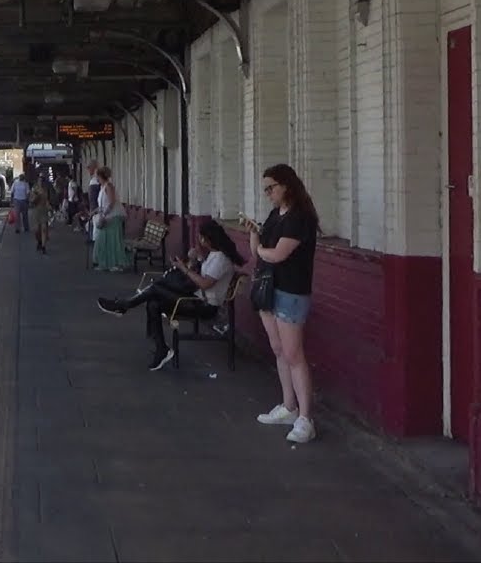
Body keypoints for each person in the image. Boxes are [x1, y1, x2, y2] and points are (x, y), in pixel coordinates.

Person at [97, 220, 246, 370]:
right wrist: (197, 259)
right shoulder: (215, 255)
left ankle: (124, 306)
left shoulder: (221, 259)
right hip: (195, 299)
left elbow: (205, 283)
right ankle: (161, 348)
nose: (200, 241)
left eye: (201, 238)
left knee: (155, 289)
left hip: (204, 306)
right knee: (154, 302)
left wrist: (183, 268)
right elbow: (203, 274)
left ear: (208, 239)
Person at [245, 163, 320, 444]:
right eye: (265, 189)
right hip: (269, 289)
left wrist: (263, 249)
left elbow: (277, 255)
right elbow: (259, 252)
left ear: (286, 185)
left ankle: (305, 418)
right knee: (278, 349)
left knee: (293, 354)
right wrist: (254, 232)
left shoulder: (300, 218)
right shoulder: (276, 215)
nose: (268, 194)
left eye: (271, 188)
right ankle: (289, 406)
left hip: (291, 290)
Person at [89, 166, 127, 271]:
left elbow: (111, 202)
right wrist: (94, 212)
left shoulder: (109, 187)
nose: (96, 178)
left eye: (97, 176)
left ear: (101, 176)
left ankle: (116, 264)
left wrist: (104, 214)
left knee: (113, 240)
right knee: (103, 240)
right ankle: (105, 262)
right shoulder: (102, 187)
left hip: (113, 217)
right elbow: (102, 204)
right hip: (106, 216)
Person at [28, 180, 51, 253]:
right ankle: (39, 241)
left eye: (42, 181)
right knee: (37, 230)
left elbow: (47, 200)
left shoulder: (45, 190)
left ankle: (44, 246)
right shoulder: (34, 190)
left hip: (44, 211)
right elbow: (31, 201)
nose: (41, 182)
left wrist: (49, 207)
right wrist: (37, 195)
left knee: (44, 229)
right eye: (40, 181)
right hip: (36, 211)